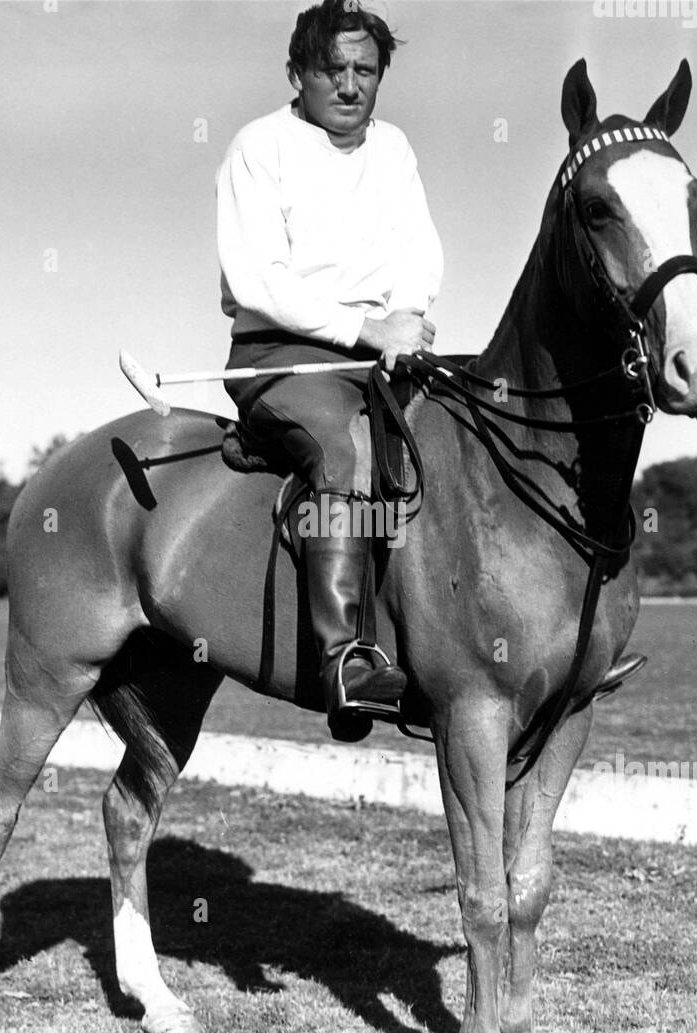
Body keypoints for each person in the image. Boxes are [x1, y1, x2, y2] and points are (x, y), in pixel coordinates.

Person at [216, 0, 443, 741]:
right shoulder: (259, 147)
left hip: (382, 354)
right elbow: (261, 282)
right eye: (332, 70)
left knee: (461, 438)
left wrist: (405, 317)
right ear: (297, 74)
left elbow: (420, 252)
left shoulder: (396, 148)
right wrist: (367, 326)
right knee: (346, 448)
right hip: (281, 357)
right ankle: (347, 659)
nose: (350, 86)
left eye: (365, 71)